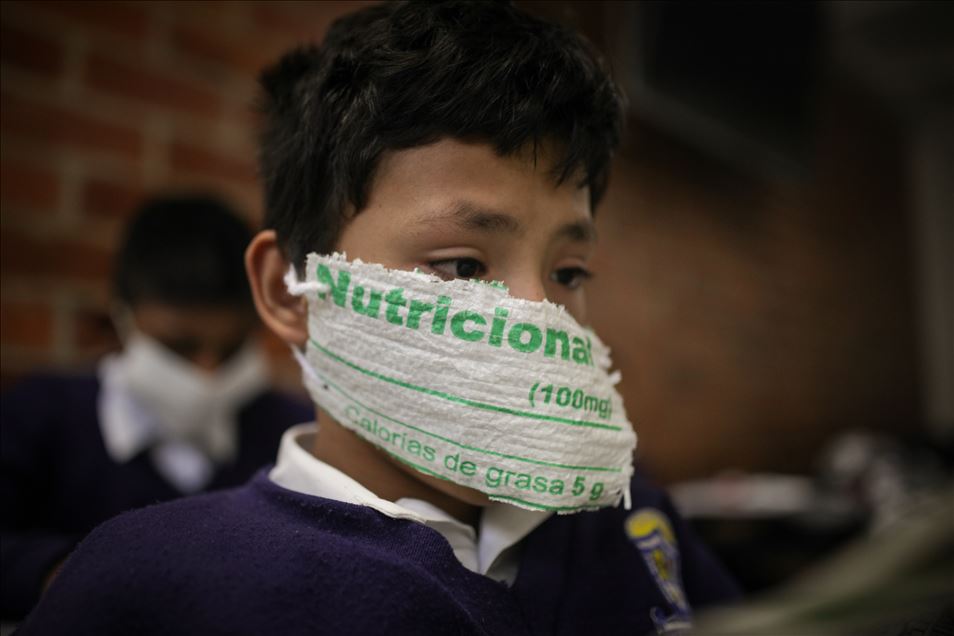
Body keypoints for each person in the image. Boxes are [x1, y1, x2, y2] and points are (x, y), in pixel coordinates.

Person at [16, 3, 740, 634]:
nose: (540, 316)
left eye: (568, 272)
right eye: (461, 266)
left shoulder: (636, 522)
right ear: (292, 292)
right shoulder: (156, 580)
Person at [1, 194, 312, 621]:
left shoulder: (290, 432)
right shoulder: (39, 415)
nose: (208, 373)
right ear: (122, 314)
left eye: (232, 348)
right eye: (178, 347)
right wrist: (64, 576)